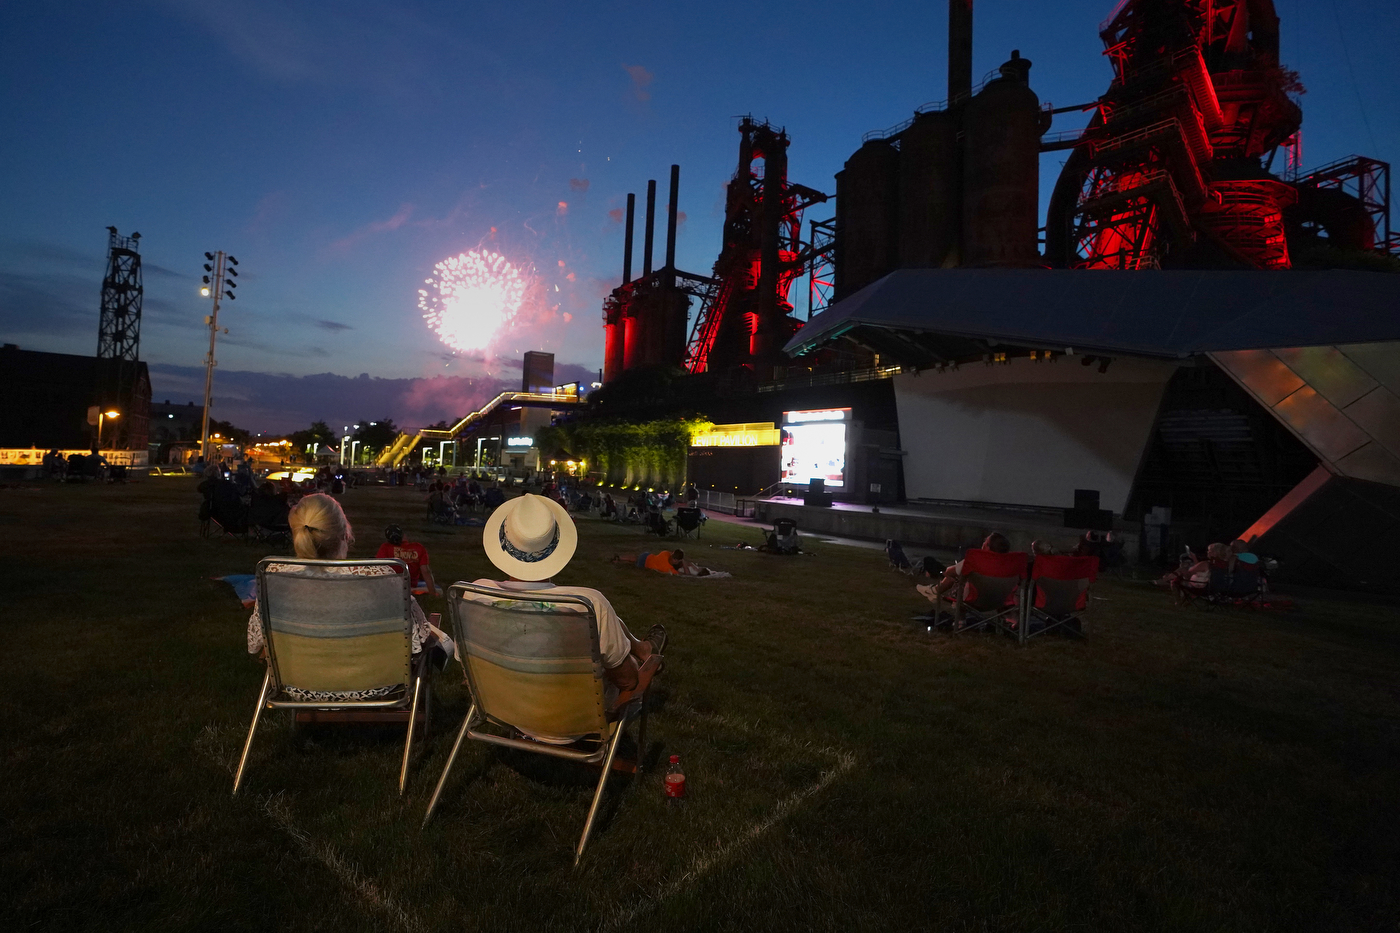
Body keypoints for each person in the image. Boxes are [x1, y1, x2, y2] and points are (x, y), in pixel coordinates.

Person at [468, 494, 665, 740]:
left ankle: (639, 647)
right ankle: (642, 651)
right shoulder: (586, 604)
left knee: (605, 627)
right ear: (556, 547)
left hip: (503, 710)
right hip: (574, 721)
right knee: (617, 650)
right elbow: (627, 681)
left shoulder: (474, 594)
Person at [245, 494, 448, 698]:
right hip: (376, 686)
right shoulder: (383, 581)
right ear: (344, 534)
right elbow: (417, 644)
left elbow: (257, 648)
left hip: (300, 686)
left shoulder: (274, 581)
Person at [917, 533, 1012, 603]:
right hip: (1000, 600)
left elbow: (949, 573)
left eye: (985, 541)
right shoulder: (1010, 566)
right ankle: (934, 591)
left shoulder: (975, 560)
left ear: (987, 547)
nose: (982, 543)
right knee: (959, 574)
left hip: (973, 599)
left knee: (955, 574)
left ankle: (934, 591)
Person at [375, 523, 438, 597]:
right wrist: (433, 593)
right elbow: (425, 571)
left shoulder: (385, 548)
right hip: (410, 585)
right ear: (403, 535)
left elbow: (378, 568)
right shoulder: (418, 548)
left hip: (390, 586)